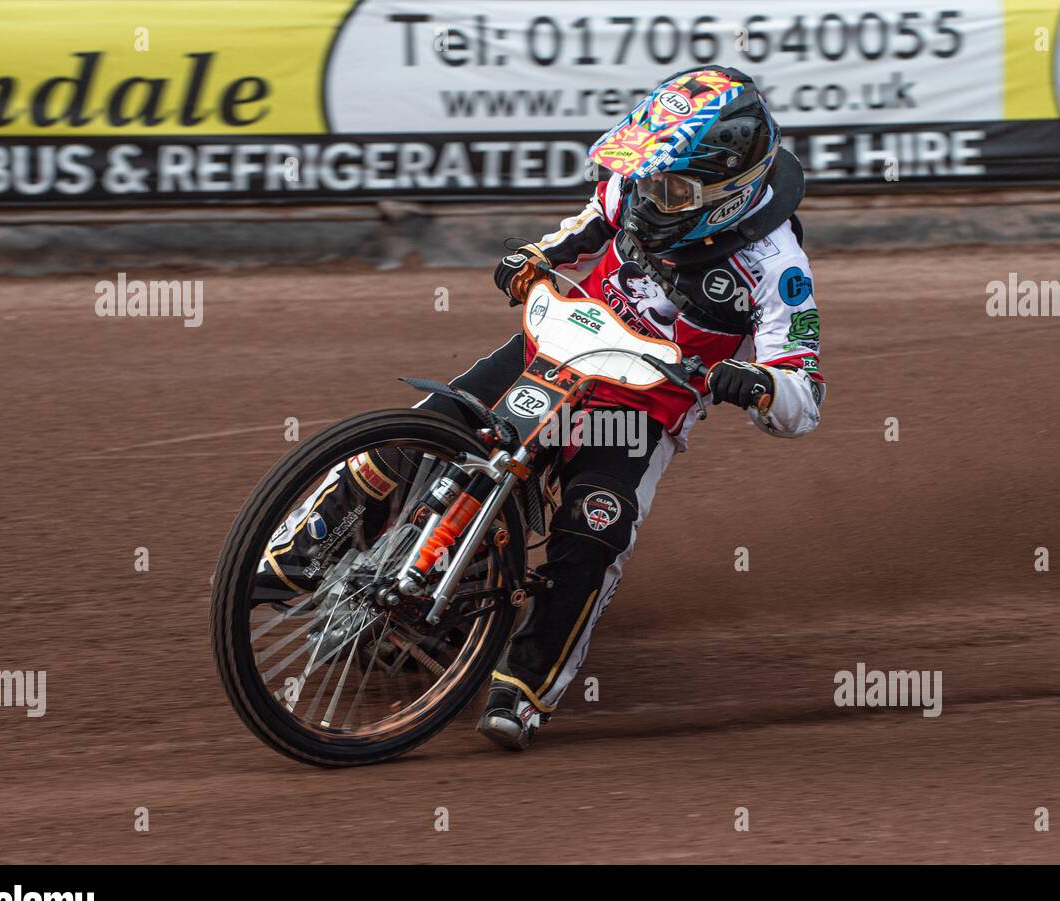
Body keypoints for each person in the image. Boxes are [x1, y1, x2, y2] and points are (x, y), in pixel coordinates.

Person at [259, 65, 825, 752]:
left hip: (642, 404)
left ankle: (524, 688)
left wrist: (757, 385)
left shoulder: (777, 267)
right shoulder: (643, 177)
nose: (646, 199)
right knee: (427, 426)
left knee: (595, 527)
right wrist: (536, 254)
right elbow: (593, 219)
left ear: (728, 194)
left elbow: (804, 397)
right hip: (558, 343)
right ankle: (294, 552)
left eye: (670, 189)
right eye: (647, 179)